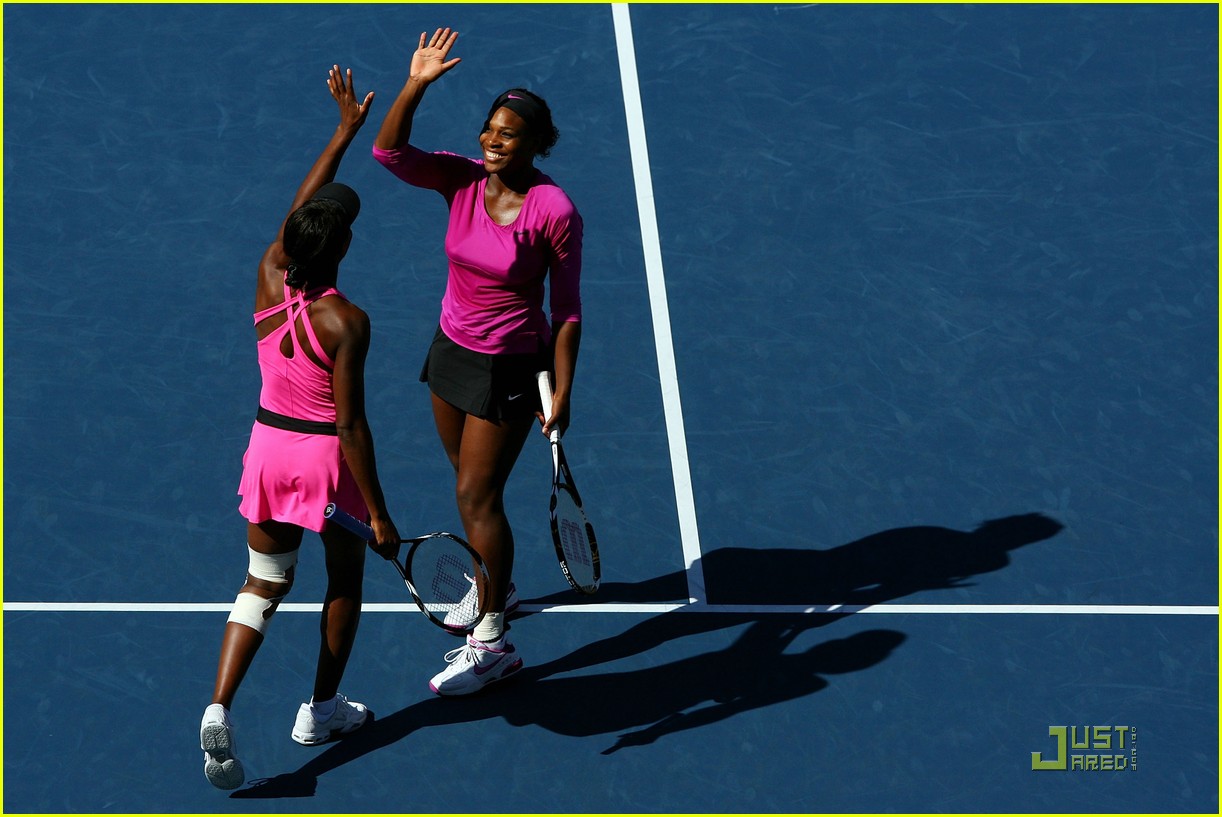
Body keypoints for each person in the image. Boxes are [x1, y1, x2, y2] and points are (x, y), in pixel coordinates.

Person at [199, 65, 401, 791]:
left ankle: (220, 703)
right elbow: (351, 424)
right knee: (344, 580)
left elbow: (299, 213)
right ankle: (321, 708)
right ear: (340, 248)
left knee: (260, 585)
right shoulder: (348, 321)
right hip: (322, 462)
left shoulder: (268, 271)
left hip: (266, 449)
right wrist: (378, 513)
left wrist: (342, 132)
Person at [372, 28, 583, 696]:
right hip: (449, 351)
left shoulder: (554, 211)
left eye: (510, 134)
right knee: (466, 481)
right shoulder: (460, 179)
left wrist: (564, 391)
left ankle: (492, 641)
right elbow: (387, 151)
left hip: (509, 367)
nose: (493, 141)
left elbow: (568, 309)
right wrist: (417, 82)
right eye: (490, 129)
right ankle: (499, 580)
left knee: (476, 494)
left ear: (537, 143)